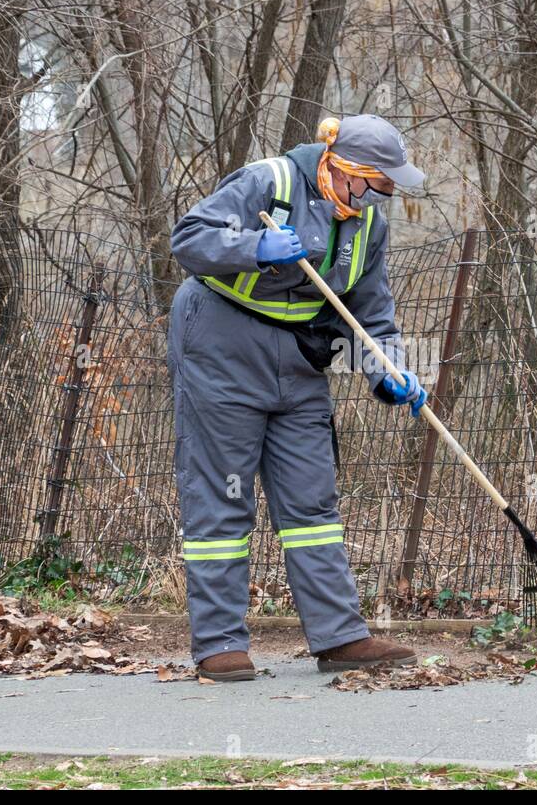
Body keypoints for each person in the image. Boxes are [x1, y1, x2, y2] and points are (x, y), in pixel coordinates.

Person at [169, 114, 428, 681]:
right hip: (221, 349)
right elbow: (188, 239)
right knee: (223, 497)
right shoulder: (268, 183)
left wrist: (389, 371)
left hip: (301, 362)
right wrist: (253, 245)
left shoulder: (367, 226)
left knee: (312, 504)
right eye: (380, 185)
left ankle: (339, 636)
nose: (381, 198)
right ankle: (219, 645)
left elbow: (371, 313)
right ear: (345, 170)